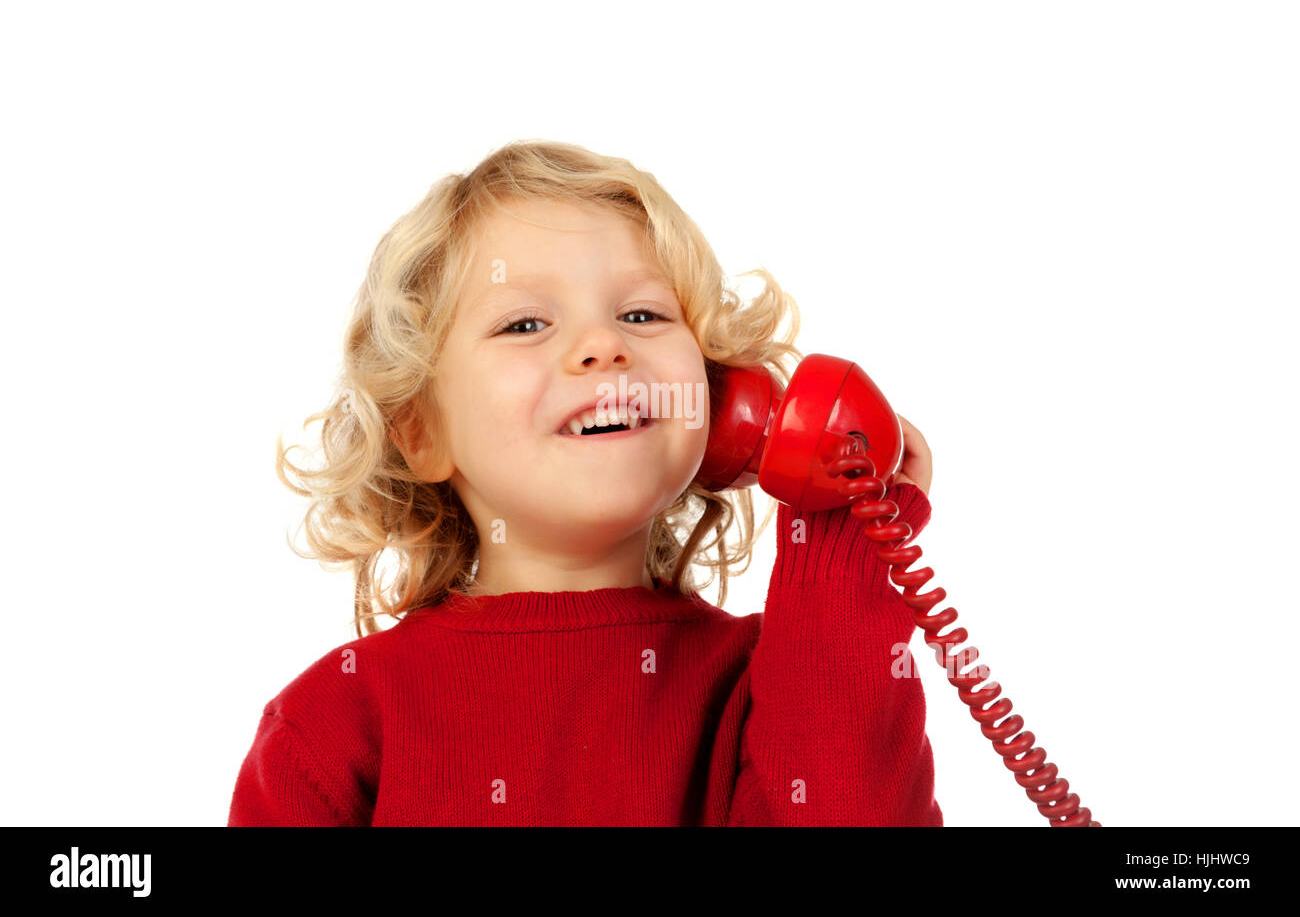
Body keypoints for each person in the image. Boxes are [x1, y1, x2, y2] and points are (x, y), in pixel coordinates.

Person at [227, 139, 940, 826]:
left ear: (721, 402)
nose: (606, 346)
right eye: (526, 323)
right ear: (421, 430)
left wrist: (848, 532)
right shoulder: (333, 723)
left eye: (643, 314)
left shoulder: (777, 692)